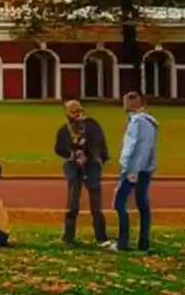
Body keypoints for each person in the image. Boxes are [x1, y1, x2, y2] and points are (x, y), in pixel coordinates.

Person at [54, 101, 109, 245]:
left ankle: (101, 237)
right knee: (73, 202)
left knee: (95, 204)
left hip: (91, 166)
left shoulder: (91, 126)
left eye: (76, 110)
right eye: (72, 111)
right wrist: (72, 155)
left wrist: (90, 156)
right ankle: (69, 237)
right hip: (74, 167)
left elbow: (99, 144)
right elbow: (59, 148)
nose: (75, 113)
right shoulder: (65, 129)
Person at [109, 92, 159, 252]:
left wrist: (131, 169)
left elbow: (136, 147)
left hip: (134, 169)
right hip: (144, 168)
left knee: (119, 203)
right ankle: (143, 242)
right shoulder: (146, 122)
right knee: (142, 203)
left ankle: (123, 243)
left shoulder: (138, 122)